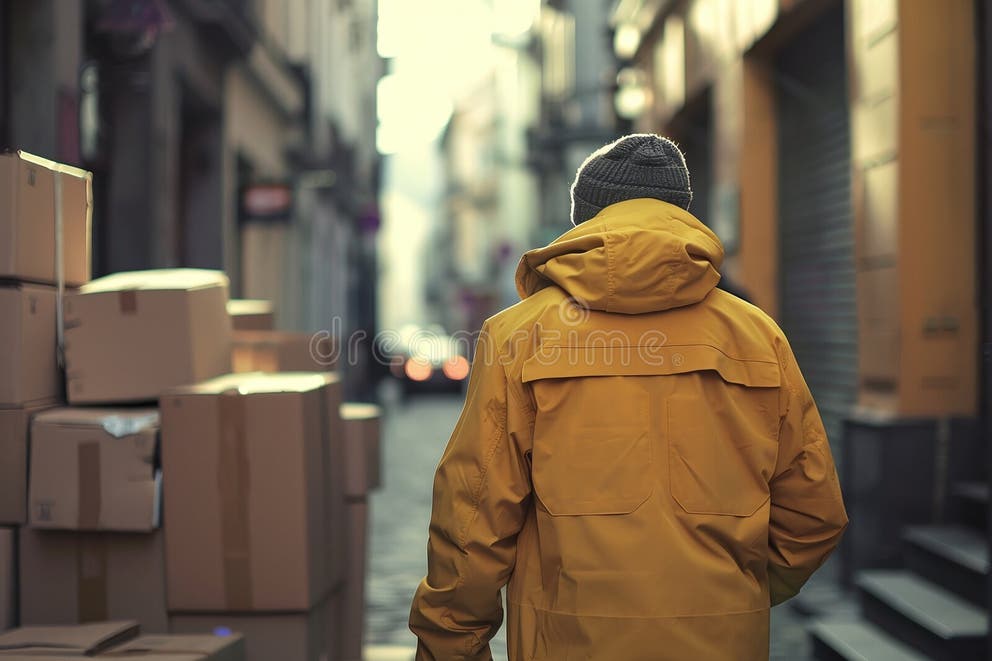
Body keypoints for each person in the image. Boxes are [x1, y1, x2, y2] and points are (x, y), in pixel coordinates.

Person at [409, 134, 848, 660]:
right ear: (682, 214)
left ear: (584, 222)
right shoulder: (757, 336)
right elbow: (813, 515)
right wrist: (737, 592)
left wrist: (450, 645)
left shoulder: (518, 336)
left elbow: (473, 516)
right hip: (721, 640)